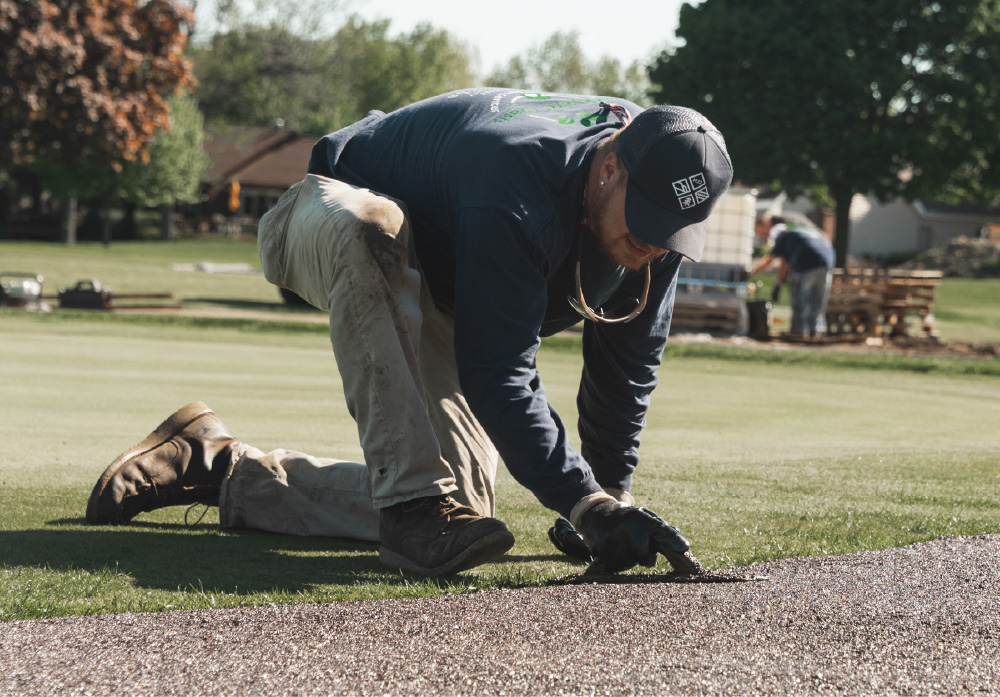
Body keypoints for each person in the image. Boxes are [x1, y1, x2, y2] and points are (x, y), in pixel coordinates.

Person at [87, 90, 733, 577]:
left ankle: (218, 464)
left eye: (672, 231)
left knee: (466, 508)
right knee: (375, 228)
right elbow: (497, 372)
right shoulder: (518, 186)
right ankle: (409, 506)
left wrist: (606, 496)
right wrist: (582, 500)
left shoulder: (662, 223)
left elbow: (627, 361)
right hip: (328, 209)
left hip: (448, 283)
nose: (653, 242)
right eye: (646, 219)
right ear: (608, 167)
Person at [750, 214, 835, 339]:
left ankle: (799, 330)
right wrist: (779, 282)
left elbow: (775, 261)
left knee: (799, 297)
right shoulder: (800, 231)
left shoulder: (783, 235)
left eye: (764, 234)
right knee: (818, 298)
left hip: (806, 263)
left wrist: (751, 273)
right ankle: (815, 330)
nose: (766, 236)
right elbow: (786, 262)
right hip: (827, 261)